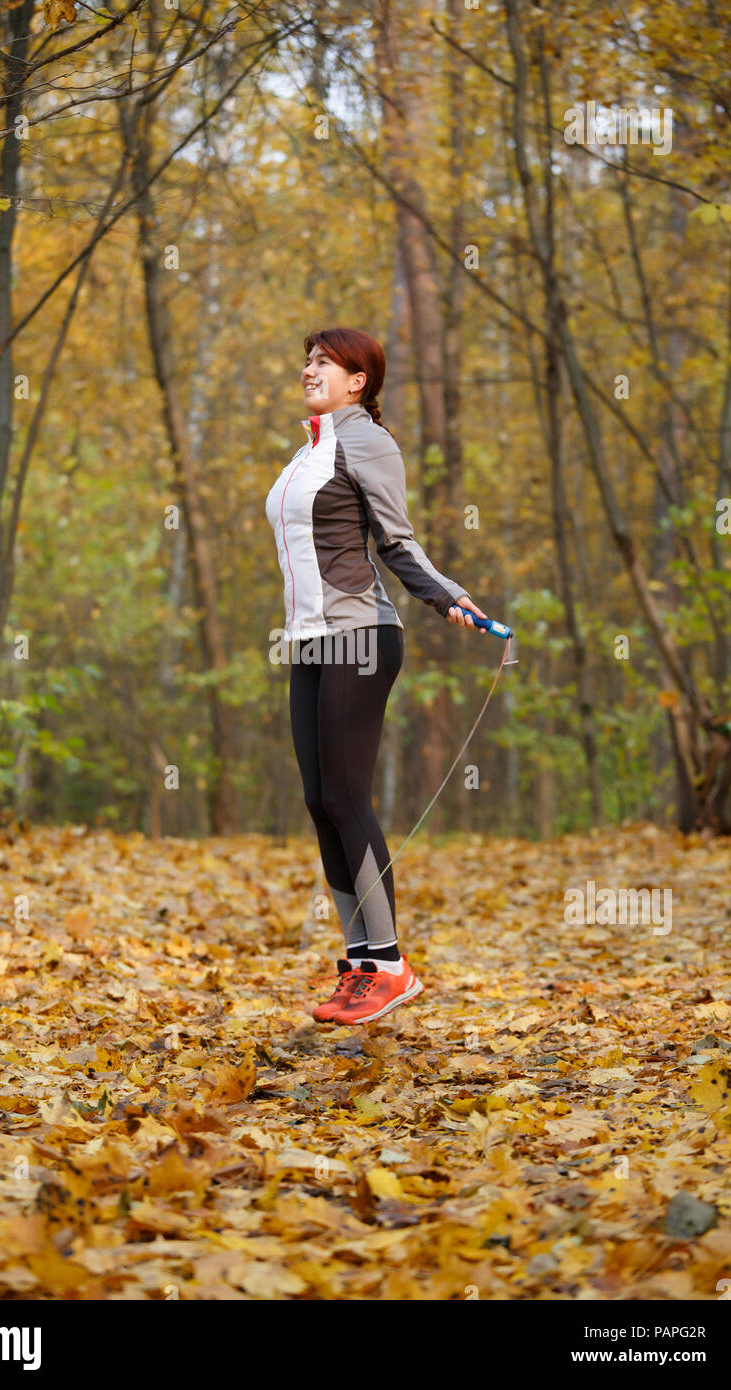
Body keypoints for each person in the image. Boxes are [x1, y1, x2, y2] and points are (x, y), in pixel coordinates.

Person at [265, 327, 487, 1025]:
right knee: (320, 798)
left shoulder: (367, 442)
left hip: (361, 635)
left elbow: (395, 540)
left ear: (358, 379)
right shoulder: (309, 448)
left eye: (323, 362)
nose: (309, 369)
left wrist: (447, 596)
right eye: (307, 360)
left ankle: (389, 965)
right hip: (307, 642)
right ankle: (359, 961)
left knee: (349, 797)